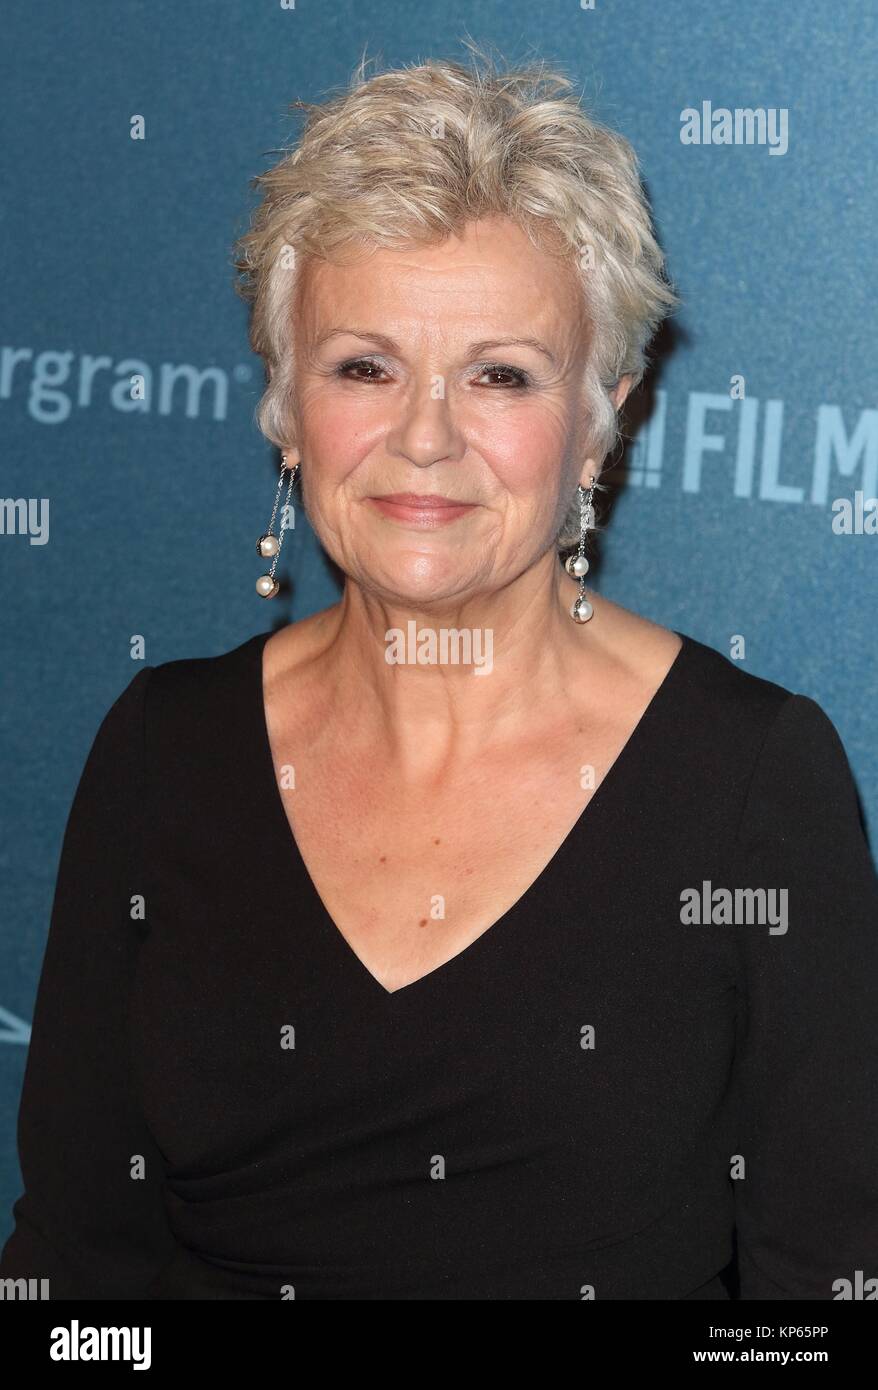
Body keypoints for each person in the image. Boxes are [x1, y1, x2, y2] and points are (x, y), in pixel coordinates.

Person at [2, 50, 877, 1301]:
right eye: (363, 366)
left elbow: (822, 1299)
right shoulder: (163, 747)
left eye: (499, 374)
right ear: (285, 406)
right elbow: (76, 1276)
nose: (424, 436)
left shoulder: (748, 781)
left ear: (601, 419)